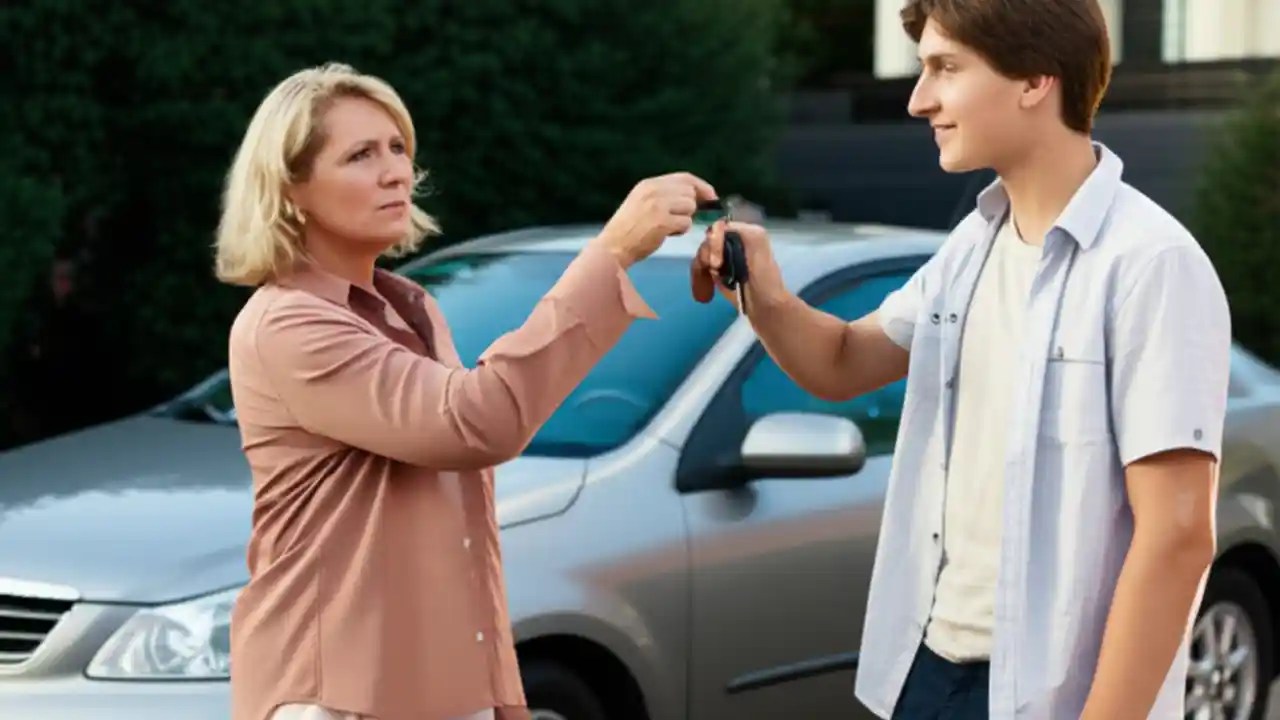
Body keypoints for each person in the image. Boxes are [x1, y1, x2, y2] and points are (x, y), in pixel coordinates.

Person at [692, 1, 1230, 718]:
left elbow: (1177, 536)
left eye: (946, 68)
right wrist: (758, 291)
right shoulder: (972, 248)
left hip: (1051, 696)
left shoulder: (1150, 265)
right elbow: (845, 360)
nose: (920, 101)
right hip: (926, 672)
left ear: (1035, 79)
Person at [214, 62, 716, 720]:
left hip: (436, 688)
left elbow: (460, 529)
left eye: (399, 147)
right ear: (292, 189)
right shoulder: (289, 323)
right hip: (335, 695)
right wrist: (613, 253)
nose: (397, 170)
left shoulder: (409, 306)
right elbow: (477, 422)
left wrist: (495, 694)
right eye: (361, 154)